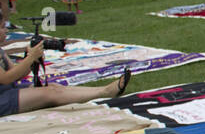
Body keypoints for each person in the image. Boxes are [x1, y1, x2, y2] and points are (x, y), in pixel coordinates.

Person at [0, 41, 130, 117]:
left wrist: (33, 59)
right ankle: (104, 92)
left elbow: (16, 74)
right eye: (2, 27)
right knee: (50, 94)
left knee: (54, 87)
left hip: (7, 91)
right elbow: (5, 79)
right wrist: (30, 58)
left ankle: (103, 90)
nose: (5, 30)